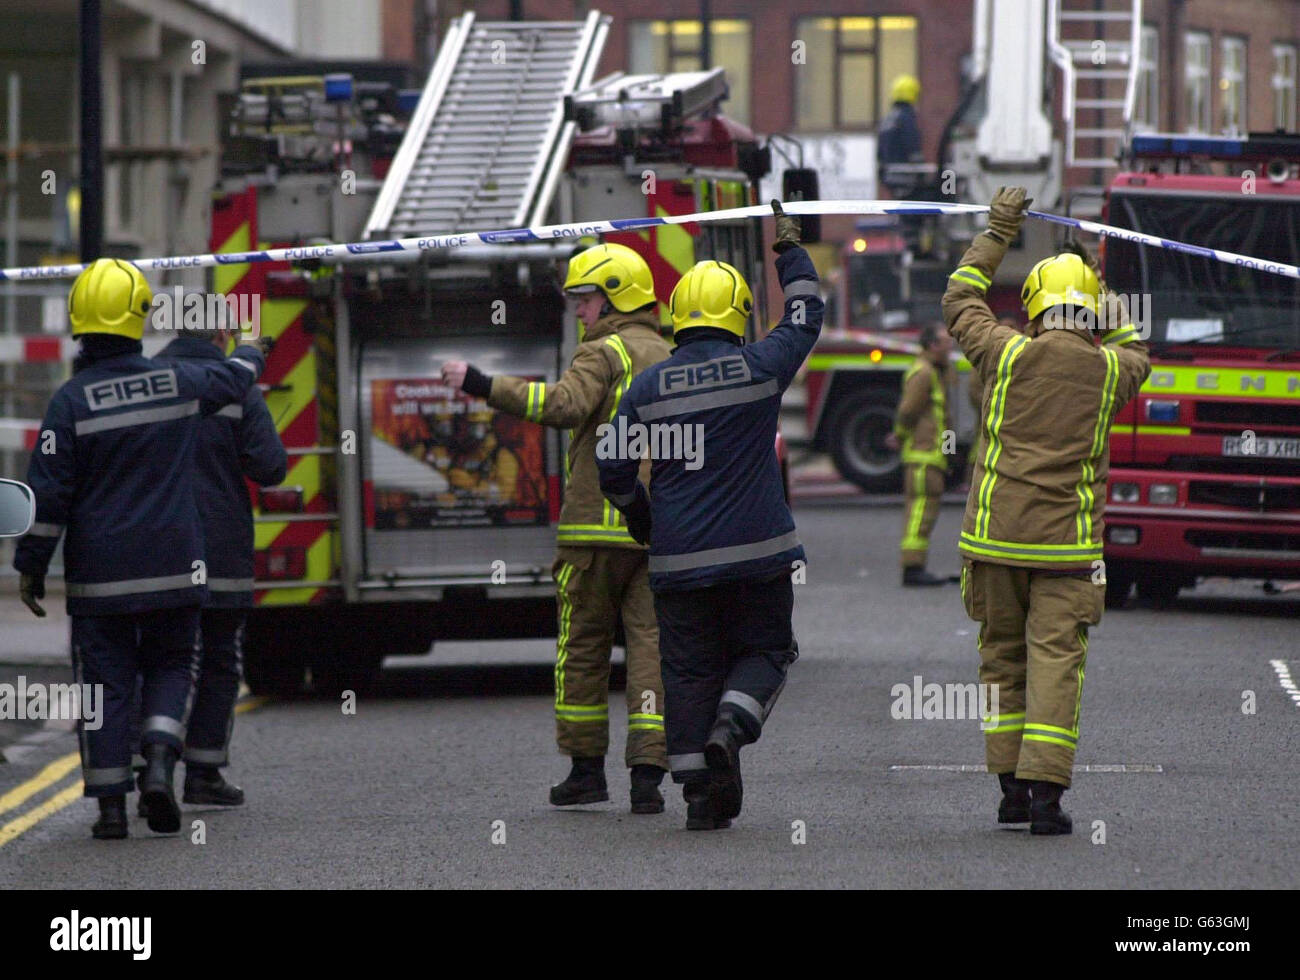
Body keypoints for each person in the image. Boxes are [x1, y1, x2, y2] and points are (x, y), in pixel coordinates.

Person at [14, 258, 267, 840]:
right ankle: (158, 760)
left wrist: (30, 566)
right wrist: (253, 350)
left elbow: (48, 494)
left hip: (100, 578)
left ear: (80, 320)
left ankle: (108, 810)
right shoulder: (178, 382)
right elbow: (232, 380)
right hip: (177, 566)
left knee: (103, 685)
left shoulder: (71, 402)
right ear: (138, 317)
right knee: (173, 664)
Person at [597, 202, 821, 830]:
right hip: (759, 556)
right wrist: (789, 251)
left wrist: (642, 517)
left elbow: (611, 466)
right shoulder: (762, 368)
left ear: (676, 318)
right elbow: (806, 315)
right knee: (767, 649)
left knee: (688, 669)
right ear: (738, 316)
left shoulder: (648, 388)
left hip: (678, 563)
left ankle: (699, 795)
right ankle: (734, 722)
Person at [943, 188, 1150, 835]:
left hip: (995, 543)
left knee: (1002, 660)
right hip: (1066, 552)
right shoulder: (1113, 370)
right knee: (1056, 663)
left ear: (1031, 307)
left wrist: (1000, 228)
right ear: (1092, 313)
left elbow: (960, 297)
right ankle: (1045, 799)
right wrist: (1093, 280)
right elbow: (1134, 341)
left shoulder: (1004, 354)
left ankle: (1008, 790)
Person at [440, 242, 673, 814]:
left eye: (585, 299)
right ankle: (648, 778)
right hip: (657, 532)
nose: (578, 312)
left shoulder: (603, 352)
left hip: (594, 535)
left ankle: (585, 772)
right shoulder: (668, 353)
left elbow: (563, 406)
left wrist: (480, 383)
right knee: (651, 649)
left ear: (614, 297)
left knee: (583, 649)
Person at [150, 309, 286, 810]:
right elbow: (269, 468)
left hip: (157, 551)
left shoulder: (149, 381)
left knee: (161, 659)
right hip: (221, 548)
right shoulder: (237, 389)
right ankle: (204, 771)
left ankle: (150, 763)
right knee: (219, 657)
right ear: (222, 334)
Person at [886, 322, 954, 586]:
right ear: (932, 345)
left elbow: (945, 419)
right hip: (923, 457)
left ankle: (916, 566)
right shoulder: (924, 374)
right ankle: (913, 568)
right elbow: (907, 411)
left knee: (925, 512)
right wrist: (900, 435)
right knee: (920, 512)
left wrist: (948, 454)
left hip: (932, 457)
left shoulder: (936, 373)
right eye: (946, 343)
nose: (951, 347)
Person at [877, 74, 924, 198]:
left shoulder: (887, 118)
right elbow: (912, 144)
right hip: (906, 175)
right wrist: (921, 172)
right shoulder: (906, 118)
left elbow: (879, 152)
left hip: (889, 175)